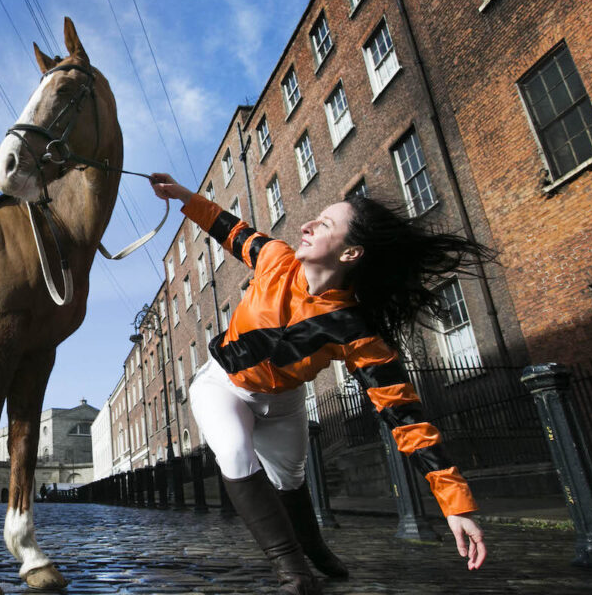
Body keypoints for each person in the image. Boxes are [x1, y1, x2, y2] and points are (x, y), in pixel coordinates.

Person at [149, 173, 487, 595]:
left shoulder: (356, 331)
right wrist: (184, 195)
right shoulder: (274, 258)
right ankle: (293, 572)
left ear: (352, 253)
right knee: (235, 453)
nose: (307, 225)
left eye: (325, 224)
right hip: (222, 383)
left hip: (284, 401)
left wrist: (456, 505)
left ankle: (314, 547)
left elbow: (406, 417)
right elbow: (228, 227)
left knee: (290, 481)